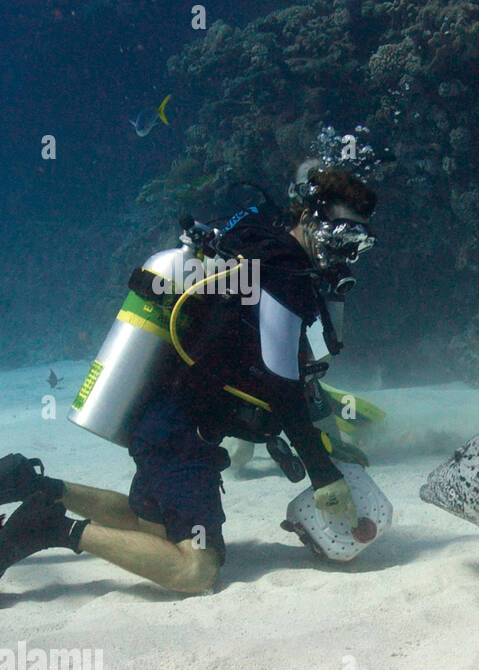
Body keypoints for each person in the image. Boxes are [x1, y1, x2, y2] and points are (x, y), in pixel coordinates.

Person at [0, 165, 378, 594]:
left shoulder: (261, 246)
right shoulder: (285, 272)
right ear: (309, 217)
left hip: (163, 421)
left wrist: (325, 441)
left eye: (361, 240)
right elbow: (280, 381)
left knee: (154, 531)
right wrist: (322, 472)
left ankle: (31, 485)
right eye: (344, 232)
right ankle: (50, 529)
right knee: (197, 571)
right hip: (183, 437)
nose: (350, 249)